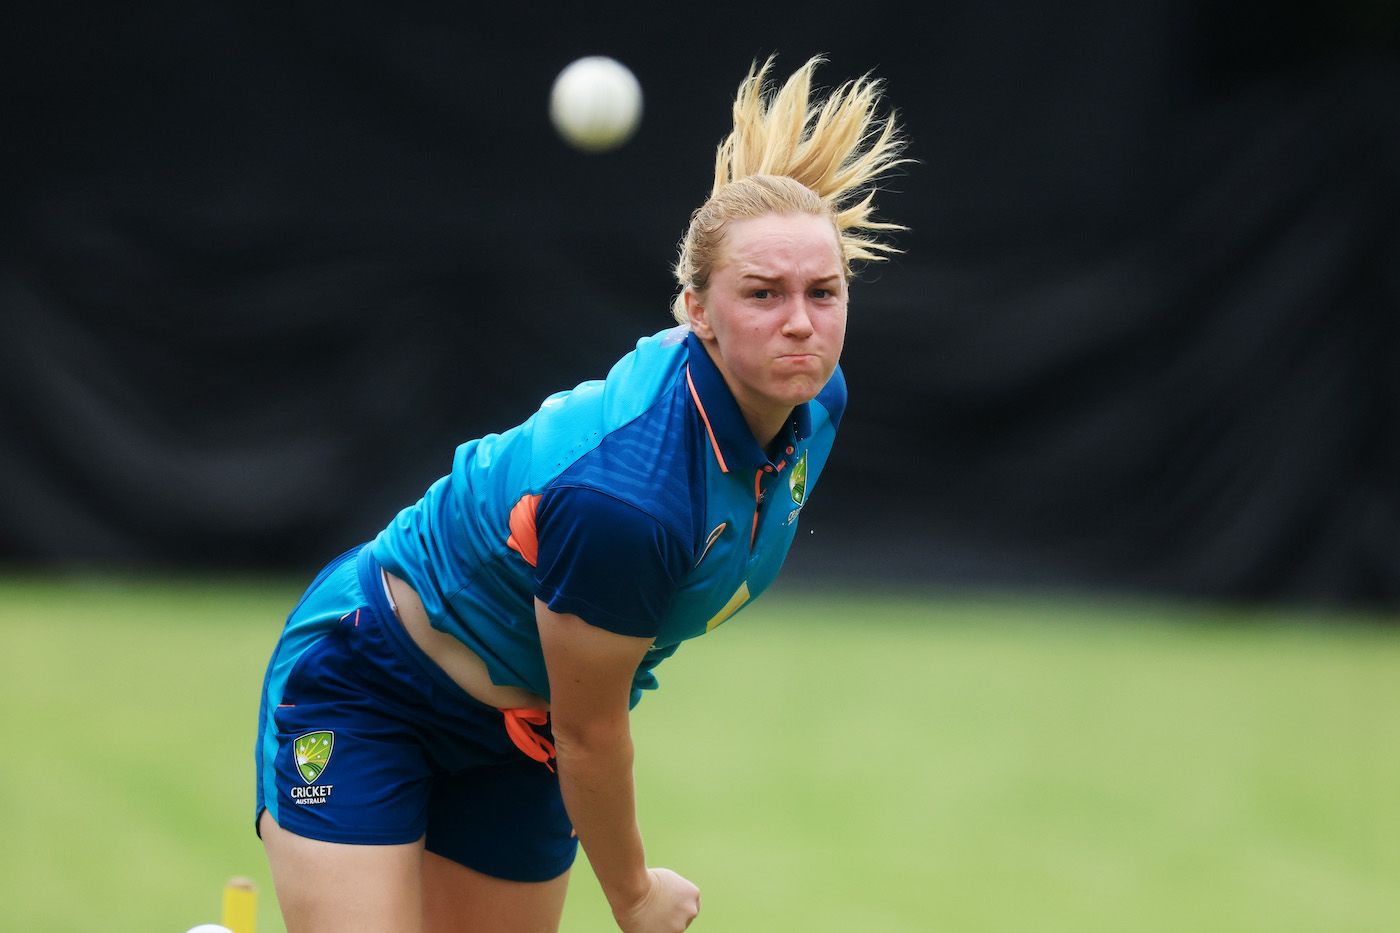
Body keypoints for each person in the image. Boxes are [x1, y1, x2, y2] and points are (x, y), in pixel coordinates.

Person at [254, 53, 909, 933]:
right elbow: (592, 729)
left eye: (822, 293)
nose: (800, 321)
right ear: (695, 311)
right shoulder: (628, 500)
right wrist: (633, 894)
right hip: (372, 687)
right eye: (762, 293)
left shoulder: (813, 403)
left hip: (522, 744)